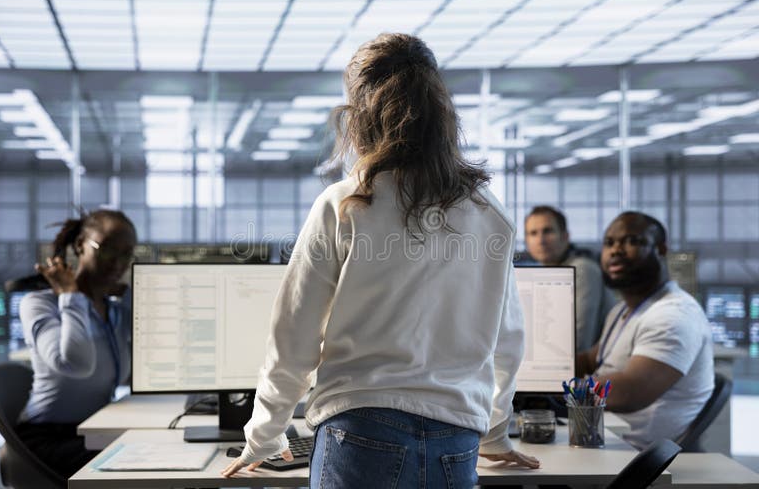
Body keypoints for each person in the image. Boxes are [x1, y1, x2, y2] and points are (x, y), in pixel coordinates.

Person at [223, 33, 539, 486]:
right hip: (456, 438)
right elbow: (507, 341)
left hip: (360, 432)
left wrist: (264, 437)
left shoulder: (346, 204)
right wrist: (494, 432)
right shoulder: (488, 211)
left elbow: (294, 338)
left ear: (358, 117)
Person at [16, 209, 136, 483]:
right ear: (81, 245)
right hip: (48, 438)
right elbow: (76, 364)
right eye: (108, 250)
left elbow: (154, 345)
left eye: (126, 255)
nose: (117, 263)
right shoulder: (40, 304)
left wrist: (130, 294)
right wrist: (71, 296)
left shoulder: (114, 311)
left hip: (96, 429)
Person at [577, 211, 714, 449]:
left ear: (660, 250)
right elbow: (591, 360)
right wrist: (537, 371)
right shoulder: (623, 310)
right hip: (602, 438)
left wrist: (559, 389)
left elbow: (630, 391)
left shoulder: (673, 314)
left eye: (631, 241)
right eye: (609, 242)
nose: (616, 250)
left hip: (634, 452)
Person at [524, 206, 615, 351]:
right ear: (527, 241)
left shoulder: (582, 269)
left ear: (565, 236)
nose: (541, 240)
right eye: (533, 233)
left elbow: (578, 342)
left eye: (548, 231)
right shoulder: (546, 273)